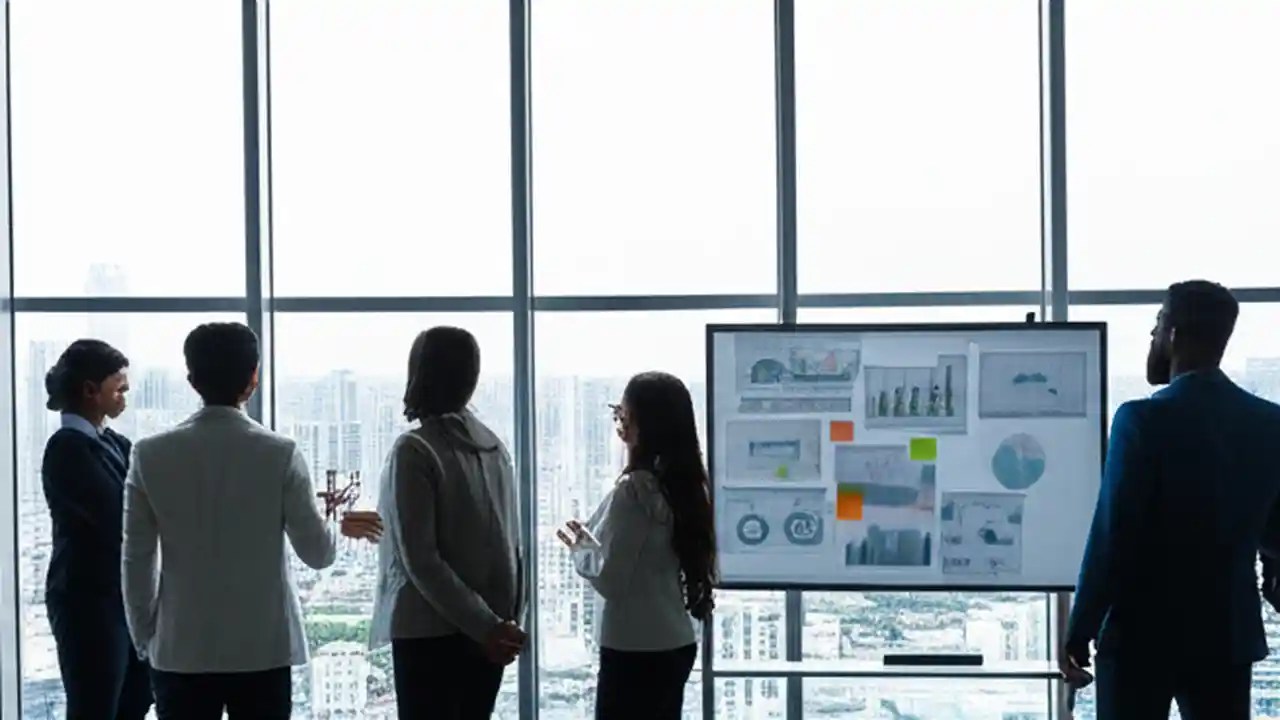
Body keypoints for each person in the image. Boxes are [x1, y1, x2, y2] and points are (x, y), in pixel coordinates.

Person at [121, 322, 381, 719]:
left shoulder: (150, 454)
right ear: (254, 378)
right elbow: (317, 554)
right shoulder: (279, 453)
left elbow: (136, 560)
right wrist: (333, 524)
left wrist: (146, 637)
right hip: (262, 648)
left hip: (180, 648)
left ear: (192, 379)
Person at [1064, 280, 1280, 720]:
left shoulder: (1141, 420)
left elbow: (1113, 535)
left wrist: (1079, 628)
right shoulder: (1270, 423)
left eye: (1157, 324)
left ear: (1174, 333)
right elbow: (1276, 533)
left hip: (1141, 636)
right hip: (1227, 636)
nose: (1152, 336)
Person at [369, 326, 526, 720]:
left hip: (430, 636)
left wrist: (486, 627)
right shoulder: (494, 448)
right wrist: (501, 626)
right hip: (489, 635)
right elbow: (513, 546)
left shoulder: (415, 450)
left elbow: (420, 560)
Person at [557, 371, 716, 720]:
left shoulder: (633, 492)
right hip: (676, 639)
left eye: (623, 416)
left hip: (633, 647)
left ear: (642, 425)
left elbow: (612, 580)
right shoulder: (686, 488)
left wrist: (580, 547)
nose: (620, 426)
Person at [41, 339, 153, 719]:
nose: (124, 396)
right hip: (87, 604)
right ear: (91, 390)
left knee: (135, 699)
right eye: (118, 388)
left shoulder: (114, 442)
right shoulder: (67, 450)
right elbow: (117, 517)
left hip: (118, 599)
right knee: (96, 704)